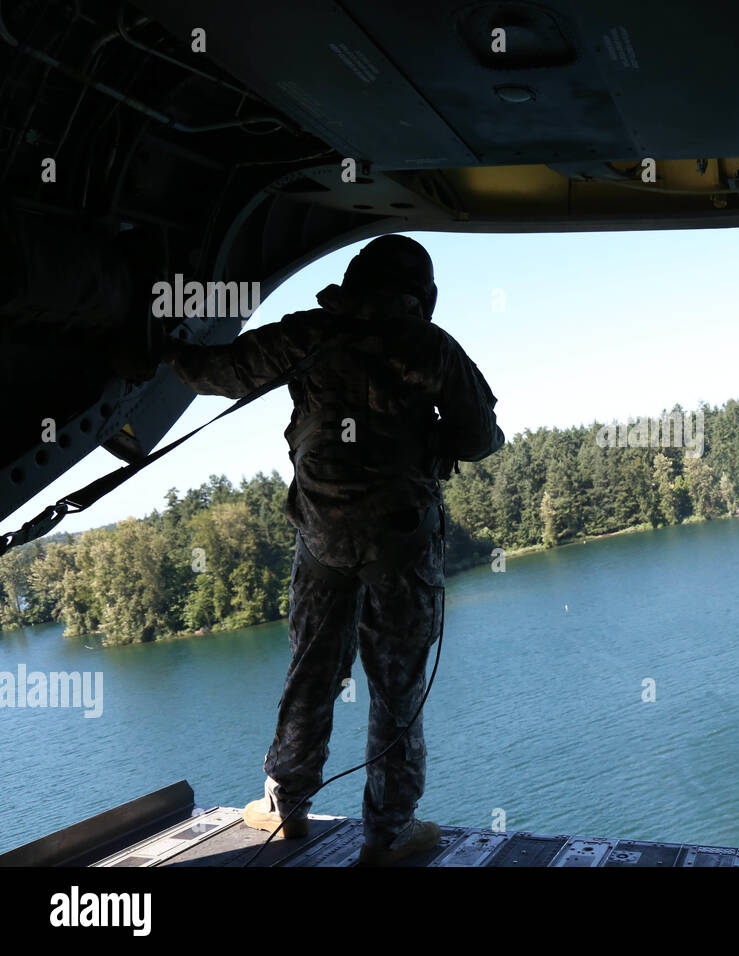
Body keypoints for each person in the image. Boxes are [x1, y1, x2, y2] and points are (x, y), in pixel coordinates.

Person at [147, 235, 504, 865]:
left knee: (311, 672)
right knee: (397, 688)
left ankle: (286, 805)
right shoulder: (432, 347)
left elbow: (216, 373)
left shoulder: (308, 334)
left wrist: (158, 344)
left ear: (355, 281)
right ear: (422, 294)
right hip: (402, 540)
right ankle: (389, 834)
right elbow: (479, 439)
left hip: (322, 537)